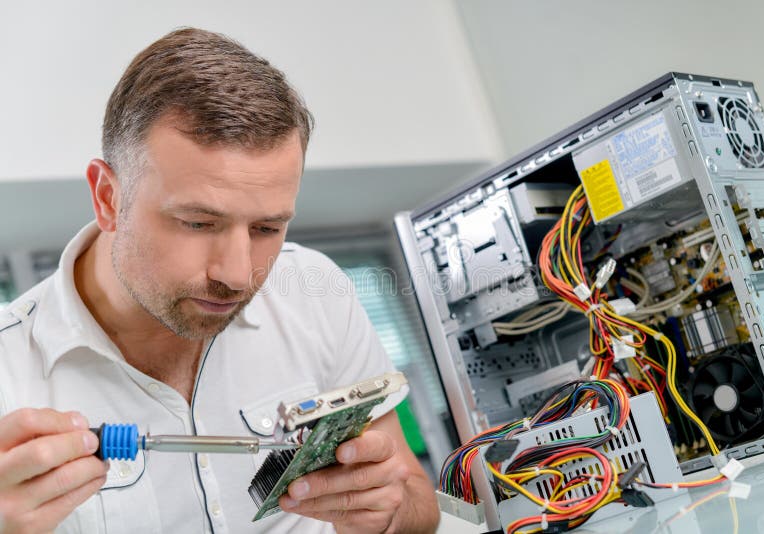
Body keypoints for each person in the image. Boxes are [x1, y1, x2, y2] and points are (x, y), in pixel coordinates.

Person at [0, 28, 439, 534]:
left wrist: (390, 512)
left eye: (267, 228)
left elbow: (415, 502)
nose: (235, 275)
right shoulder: (12, 374)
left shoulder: (315, 289)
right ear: (106, 198)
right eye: (198, 223)